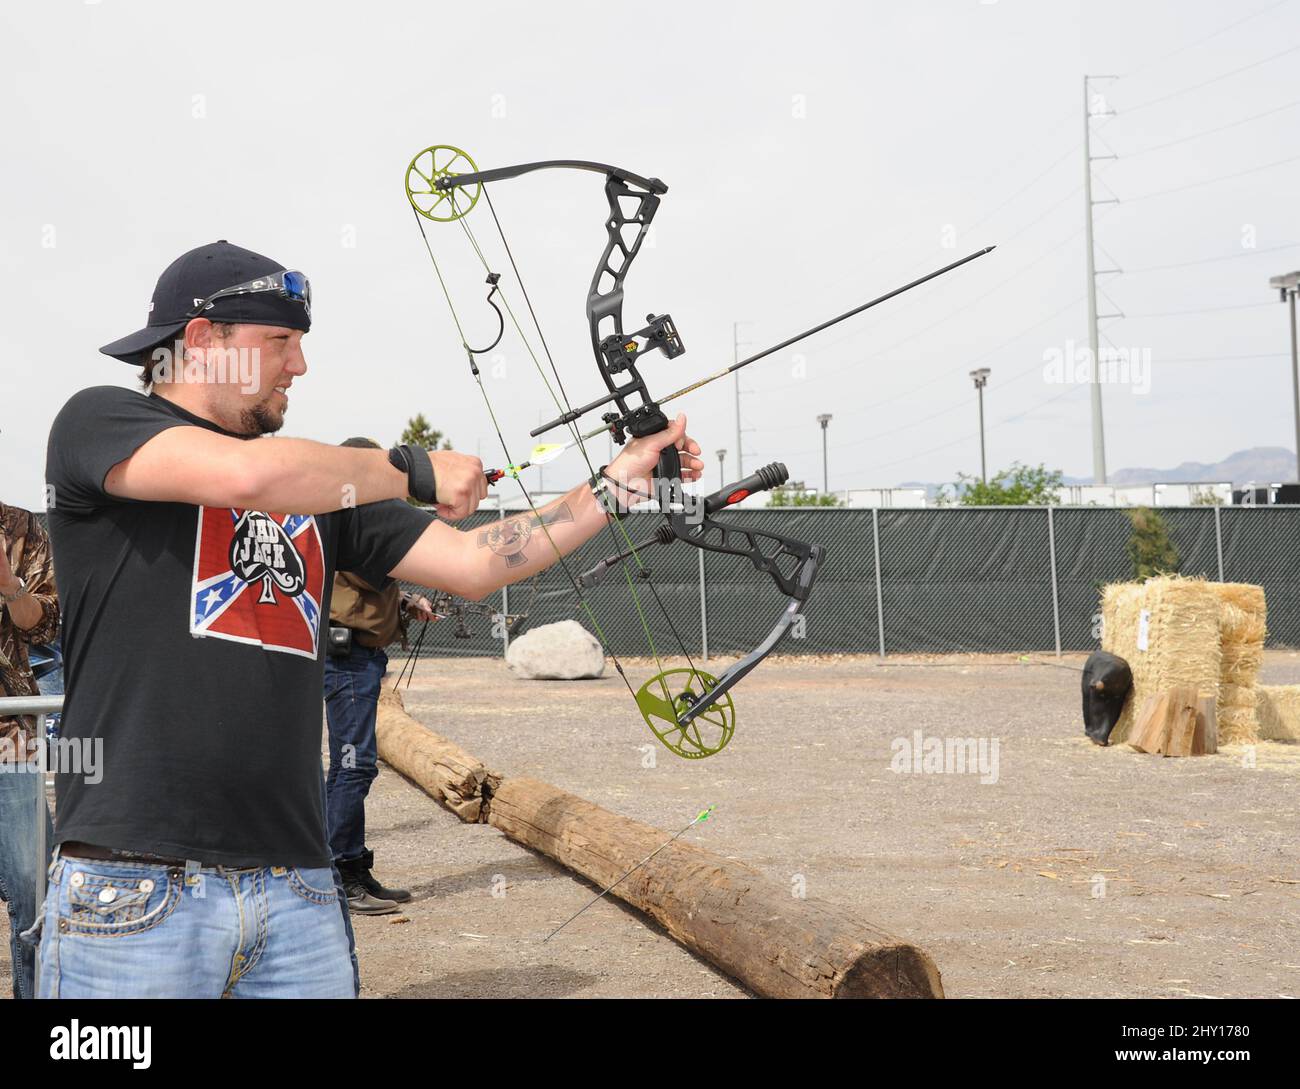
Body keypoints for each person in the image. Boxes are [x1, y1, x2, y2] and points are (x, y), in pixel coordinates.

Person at [37, 239, 702, 997]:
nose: (300, 364)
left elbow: (478, 561)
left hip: (298, 888)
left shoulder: (326, 491)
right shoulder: (99, 421)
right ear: (200, 343)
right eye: (279, 341)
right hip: (134, 887)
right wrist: (410, 466)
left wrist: (614, 485)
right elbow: (247, 474)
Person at [325, 438, 436, 914]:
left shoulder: (352, 516)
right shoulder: (351, 517)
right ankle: (341, 875)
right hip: (346, 660)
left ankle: (345, 869)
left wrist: (408, 603)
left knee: (351, 766)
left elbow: (369, 581)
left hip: (359, 658)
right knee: (354, 766)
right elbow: (377, 570)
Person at [0, 500, 59, 999]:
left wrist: (8, 584)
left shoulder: (20, 526)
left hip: (10, 735)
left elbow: (44, 626)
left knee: (33, 882)